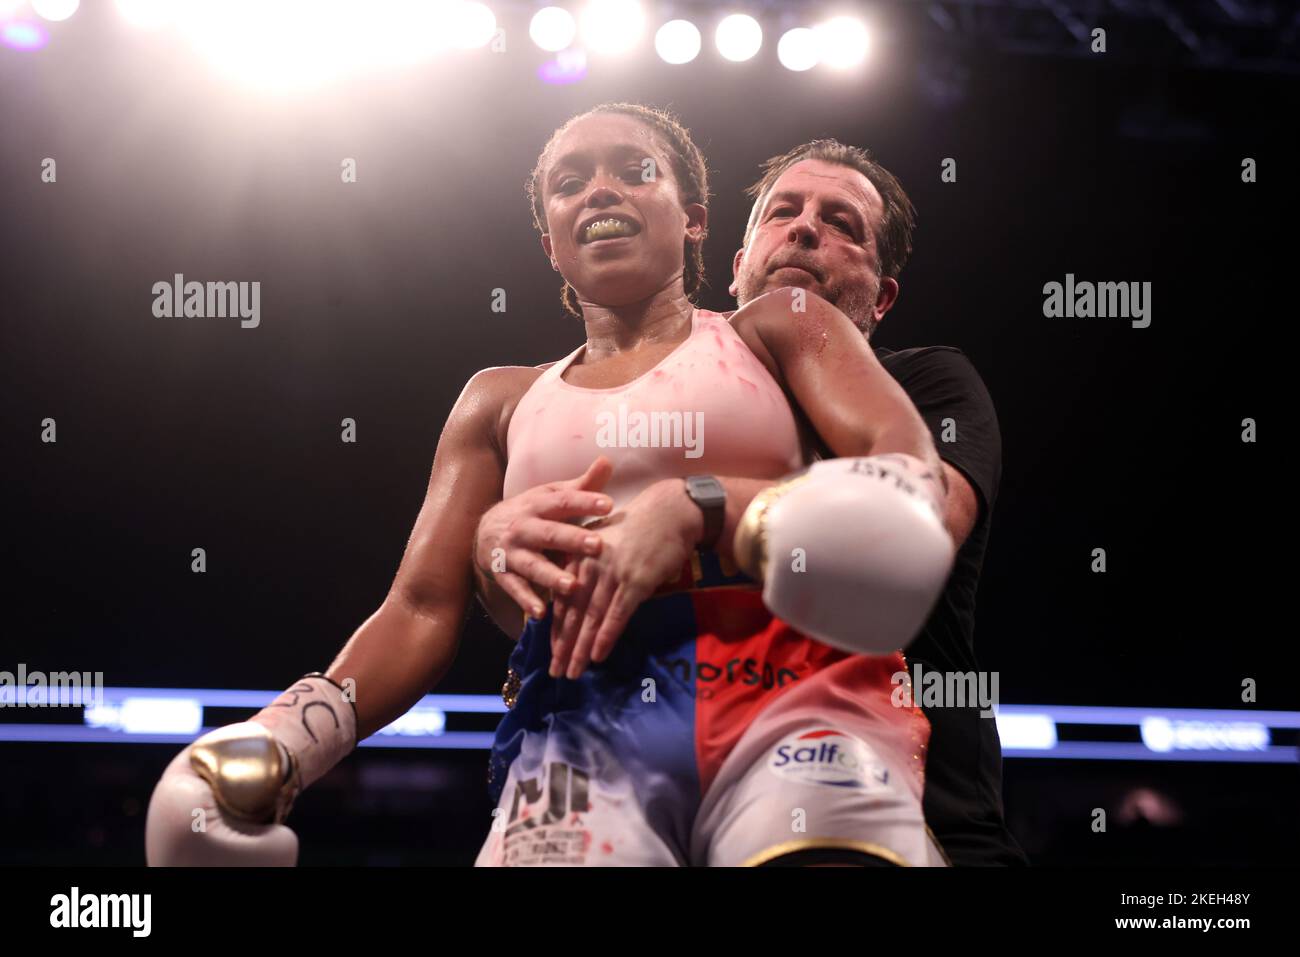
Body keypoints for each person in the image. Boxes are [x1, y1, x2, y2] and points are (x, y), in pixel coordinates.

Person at [145, 104, 950, 867]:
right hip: (581, 720)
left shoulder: (780, 324)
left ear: (694, 217)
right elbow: (421, 607)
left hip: (794, 688)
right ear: (551, 245)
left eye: (635, 169)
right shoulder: (496, 400)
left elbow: (907, 478)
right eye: (570, 182)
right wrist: (284, 736)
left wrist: (710, 508)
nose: (600, 189)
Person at [475, 138, 1027, 866]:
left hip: (919, 795)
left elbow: (920, 525)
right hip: (628, 752)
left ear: (882, 295)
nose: (804, 229)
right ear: (735, 267)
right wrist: (497, 540)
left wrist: (703, 504)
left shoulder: (930, 381)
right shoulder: (667, 397)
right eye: (782, 212)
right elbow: (536, 593)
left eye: (841, 223)